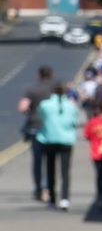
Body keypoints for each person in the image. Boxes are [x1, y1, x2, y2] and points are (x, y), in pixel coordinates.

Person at [36, 86, 81, 212]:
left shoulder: (45, 104)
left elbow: (41, 117)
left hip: (49, 139)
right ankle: (65, 199)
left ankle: (52, 199)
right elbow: (74, 122)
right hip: (66, 140)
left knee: (51, 170)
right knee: (65, 171)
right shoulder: (71, 105)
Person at [18, 64, 57, 204]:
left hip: (35, 127)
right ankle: (48, 188)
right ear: (51, 76)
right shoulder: (55, 89)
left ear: (39, 76)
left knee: (37, 161)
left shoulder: (32, 89)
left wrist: (31, 112)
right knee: (51, 160)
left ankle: (38, 189)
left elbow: (22, 107)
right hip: (51, 129)